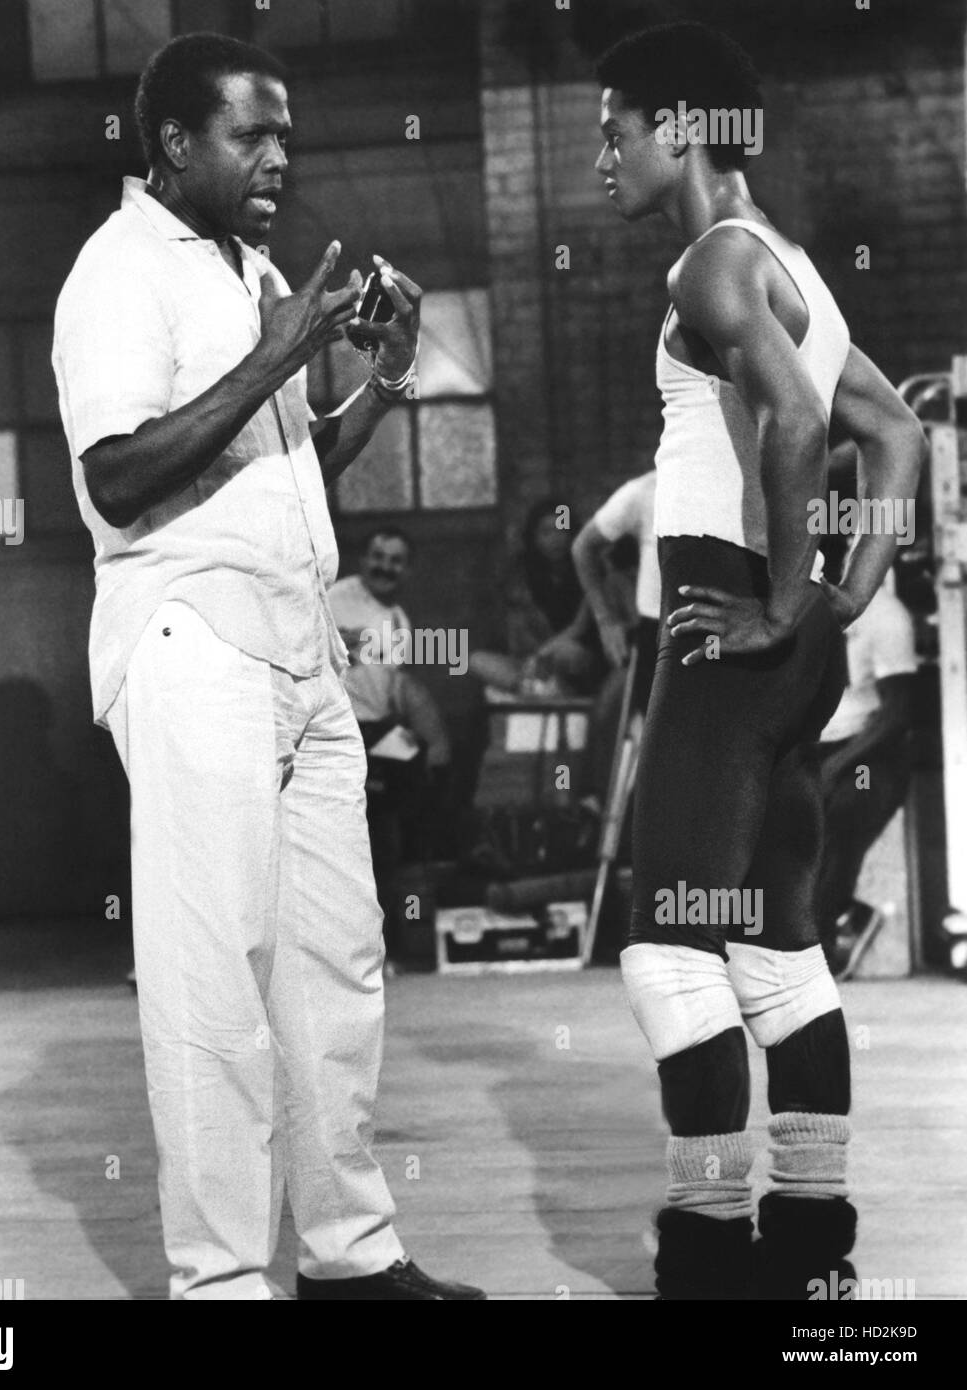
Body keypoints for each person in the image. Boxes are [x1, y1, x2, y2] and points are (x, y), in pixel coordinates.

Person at [52, 32, 484, 1301]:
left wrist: (385, 372)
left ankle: (350, 1258)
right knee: (213, 985)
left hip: (299, 658)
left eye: (286, 133)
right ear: (175, 144)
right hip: (193, 651)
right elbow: (117, 478)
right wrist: (282, 352)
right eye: (252, 134)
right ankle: (223, 1279)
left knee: (335, 972)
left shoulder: (255, 268)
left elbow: (290, 475)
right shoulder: (117, 273)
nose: (279, 157)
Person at [594, 21, 925, 1299]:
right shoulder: (788, 265)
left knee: (670, 951)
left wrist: (788, 599)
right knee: (776, 953)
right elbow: (891, 436)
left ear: (678, 128)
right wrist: (850, 586)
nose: (601, 157)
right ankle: (807, 1259)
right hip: (786, 654)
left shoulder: (711, 268)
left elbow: (797, 420)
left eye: (613, 130)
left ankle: (711, 1275)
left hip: (730, 632)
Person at [329, 528, 452, 953]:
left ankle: (399, 942)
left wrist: (430, 742)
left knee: (407, 806)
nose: (385, 566)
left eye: (395, 560)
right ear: (364, 558)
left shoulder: (398, 618)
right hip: (337, 729)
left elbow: (395, 687)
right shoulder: (334, 598)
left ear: (407, 569)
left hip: (380, 731)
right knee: (356, 838)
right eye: (378, 556)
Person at [816, 549, 917, 973]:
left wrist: (836, 767)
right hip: (812, 747)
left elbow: (898, 712)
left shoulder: (885, 615)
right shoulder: (792, 610)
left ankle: (822, 939)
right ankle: (843, 915)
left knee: (844, 804)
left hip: (866, 753)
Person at [470, 498, 599, 697]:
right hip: (529, 664)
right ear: (534, 537)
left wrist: (543, 654)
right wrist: (532, 661)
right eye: (546, 532)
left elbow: (579, 627)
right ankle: (534, 689)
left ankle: (549, 690)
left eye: (562, 530)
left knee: (569, 653)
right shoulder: (521, 576)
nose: (556, 539)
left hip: (568, 659)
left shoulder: (586, 572)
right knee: (476, 660)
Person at [573, 468, 661, 716]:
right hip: (651, 637)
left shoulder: (738, 482)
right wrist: (606, 621)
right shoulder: (645, 490)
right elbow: (583, 547)